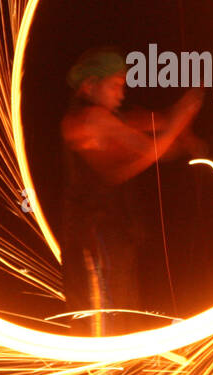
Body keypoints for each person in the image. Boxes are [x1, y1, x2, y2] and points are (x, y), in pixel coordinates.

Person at [59, 47, 204, 336]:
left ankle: (118, 374)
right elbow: (149, 151)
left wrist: (178, 119)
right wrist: (180, 118)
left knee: (121, 314)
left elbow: (157, 129)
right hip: (94, 236)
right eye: (115, 85)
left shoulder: (108, 119)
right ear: (90, 85)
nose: (121, 94)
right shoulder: (88, 120)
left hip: (113, 235)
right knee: (106, 321)